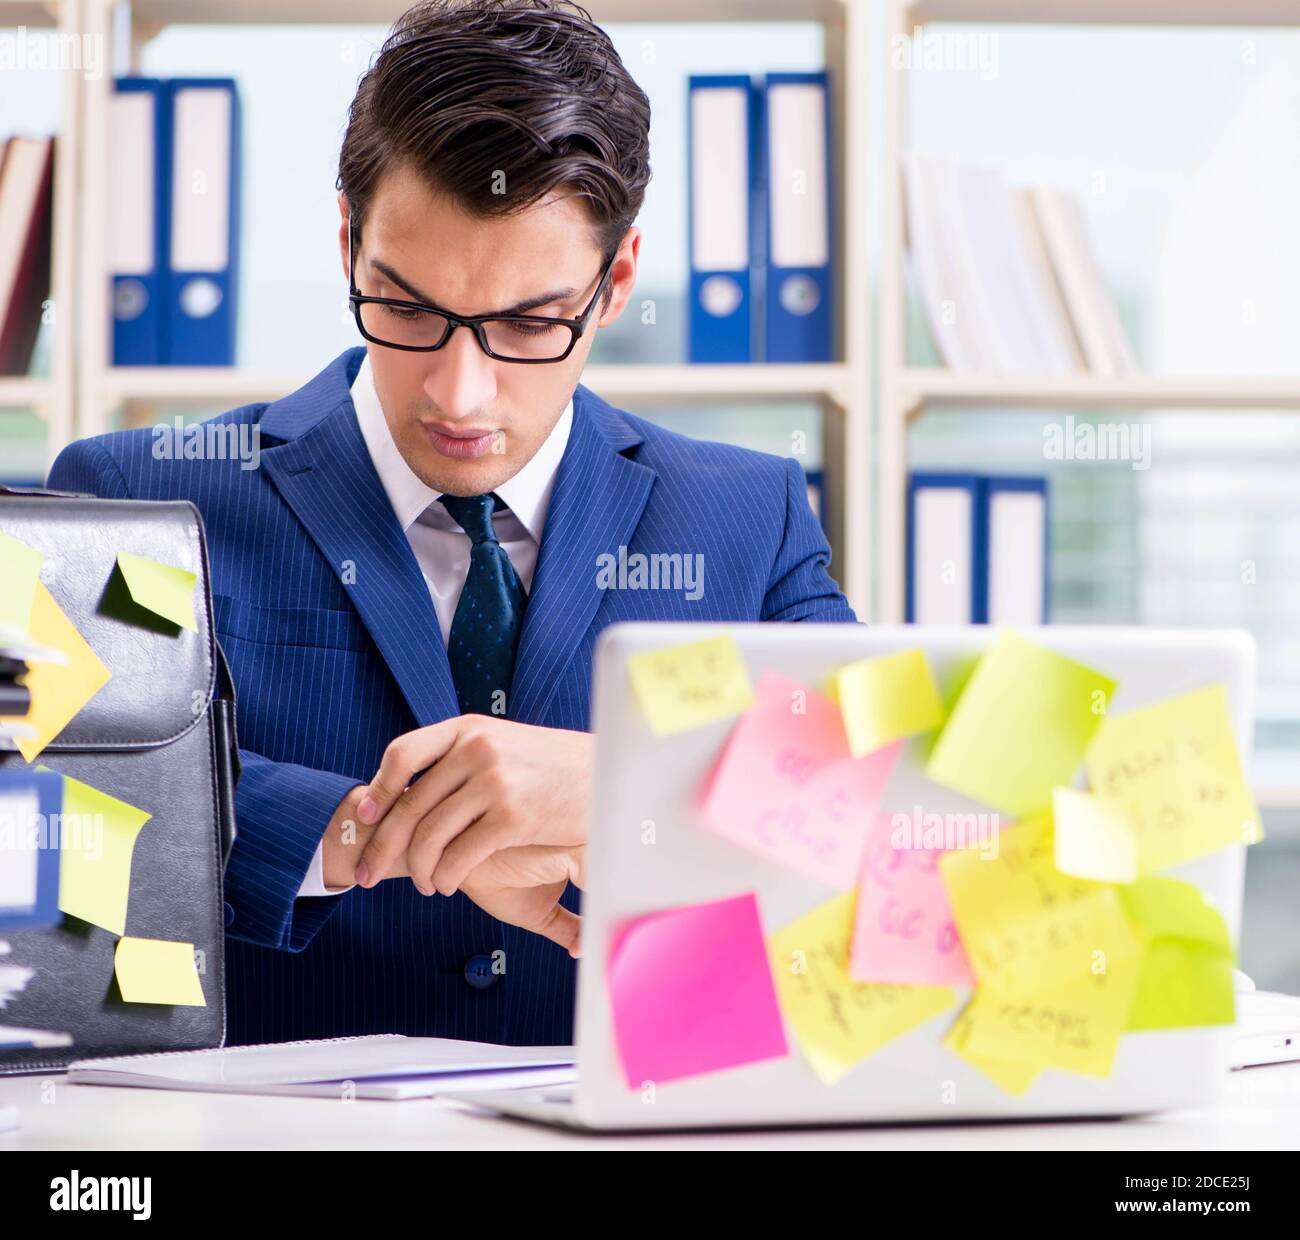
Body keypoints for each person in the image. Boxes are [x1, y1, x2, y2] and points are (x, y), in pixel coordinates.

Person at [48, 0, 855, 1048]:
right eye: (409, 308)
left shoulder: (745, 514)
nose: (460, 394)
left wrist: (621, 783)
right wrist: (364, 828)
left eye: (527, 322)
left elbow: (894, 808)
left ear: (613, 285)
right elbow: (55, 814)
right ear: (348, 243)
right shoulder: (144, 495)